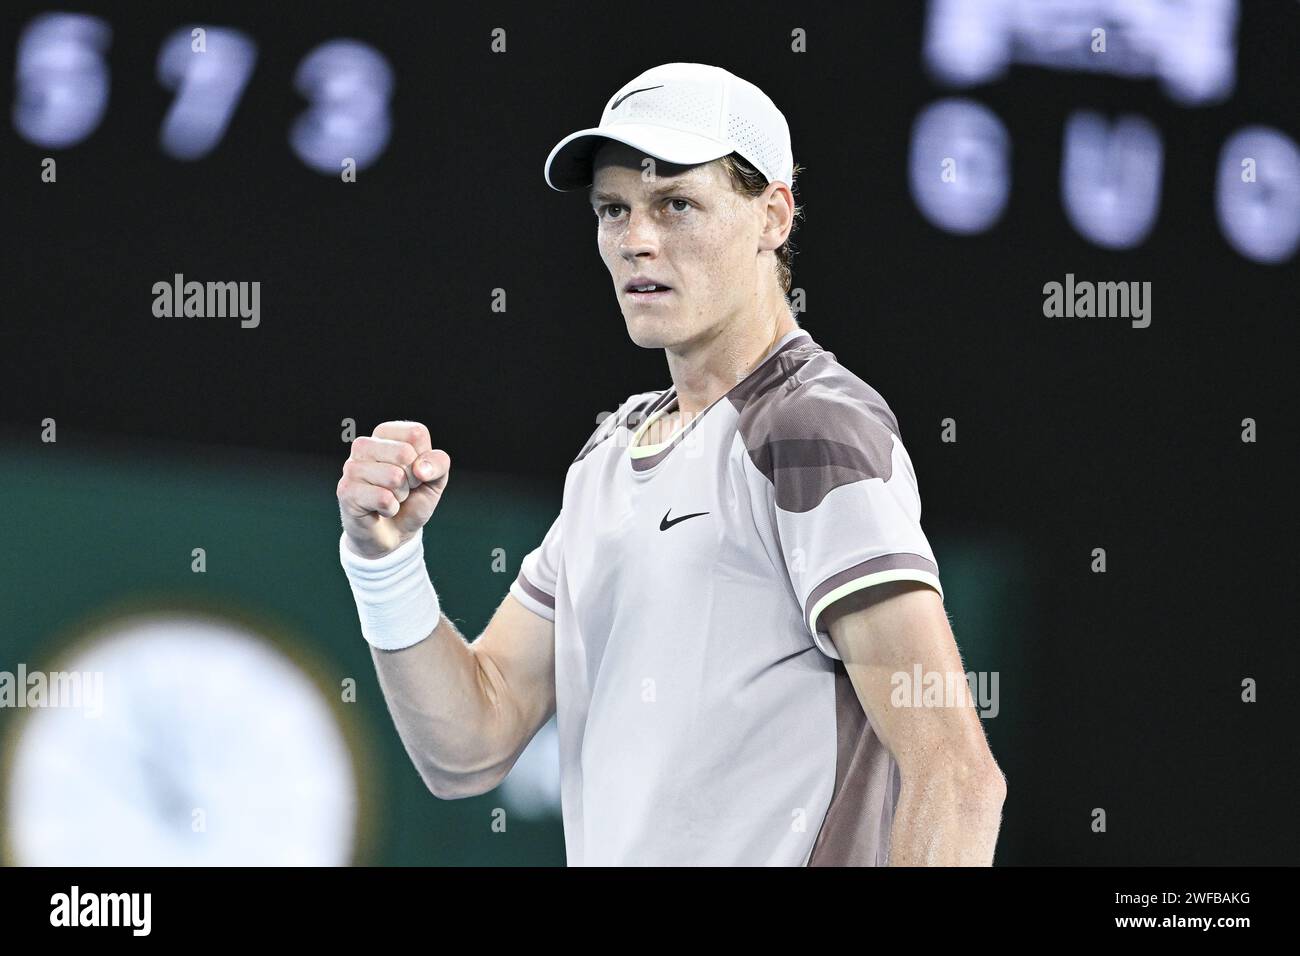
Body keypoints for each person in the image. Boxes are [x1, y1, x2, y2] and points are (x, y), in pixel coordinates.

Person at [337, 62, 1005, 865]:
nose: (635, 240)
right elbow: (468, 747)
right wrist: (386, 562)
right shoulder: (608, 455)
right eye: (613, 209)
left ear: (773, 216)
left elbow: (958, 778)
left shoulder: (810, 428)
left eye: (675, 204)